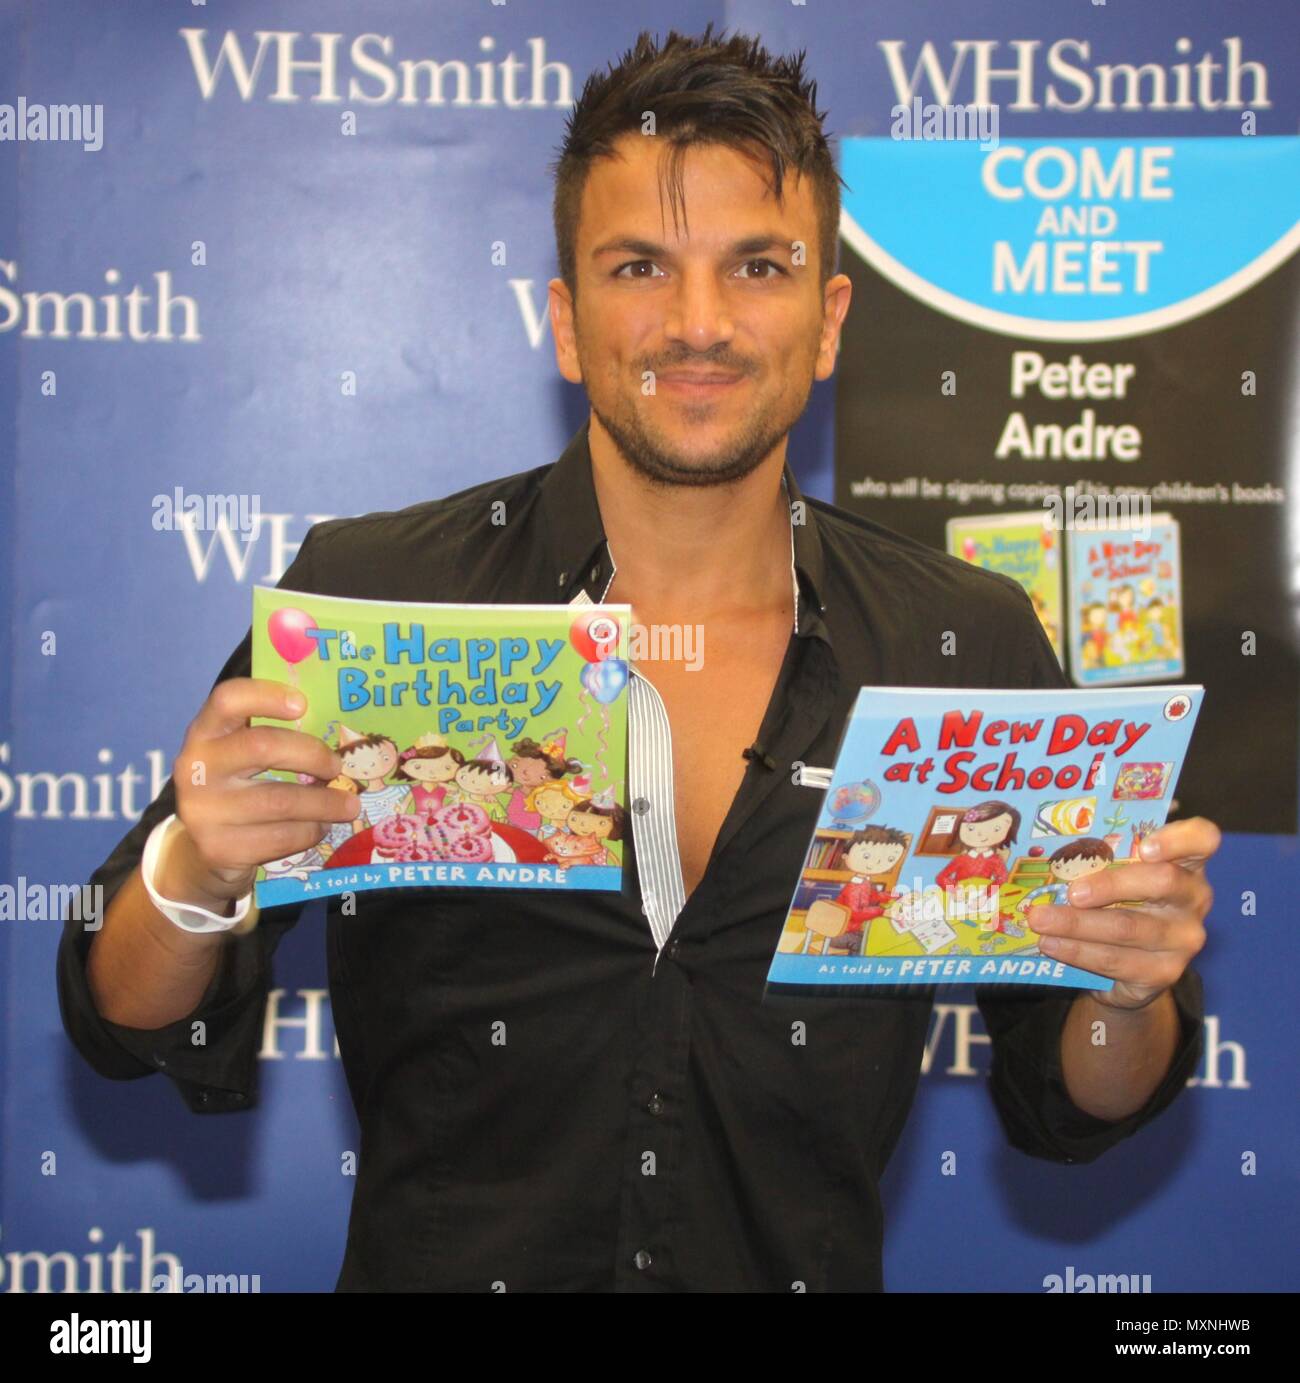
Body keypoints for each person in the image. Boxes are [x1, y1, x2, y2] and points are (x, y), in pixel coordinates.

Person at [56, 25, 1216, 1293]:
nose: (700, 324)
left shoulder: (963, 639)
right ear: (565, 319)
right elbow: (125, 1020)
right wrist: (192, 867)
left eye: (757, 267)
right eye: (639, 268)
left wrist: (1128, 985)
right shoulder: (371, 595)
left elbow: (1081, 1100)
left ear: (829, 319)